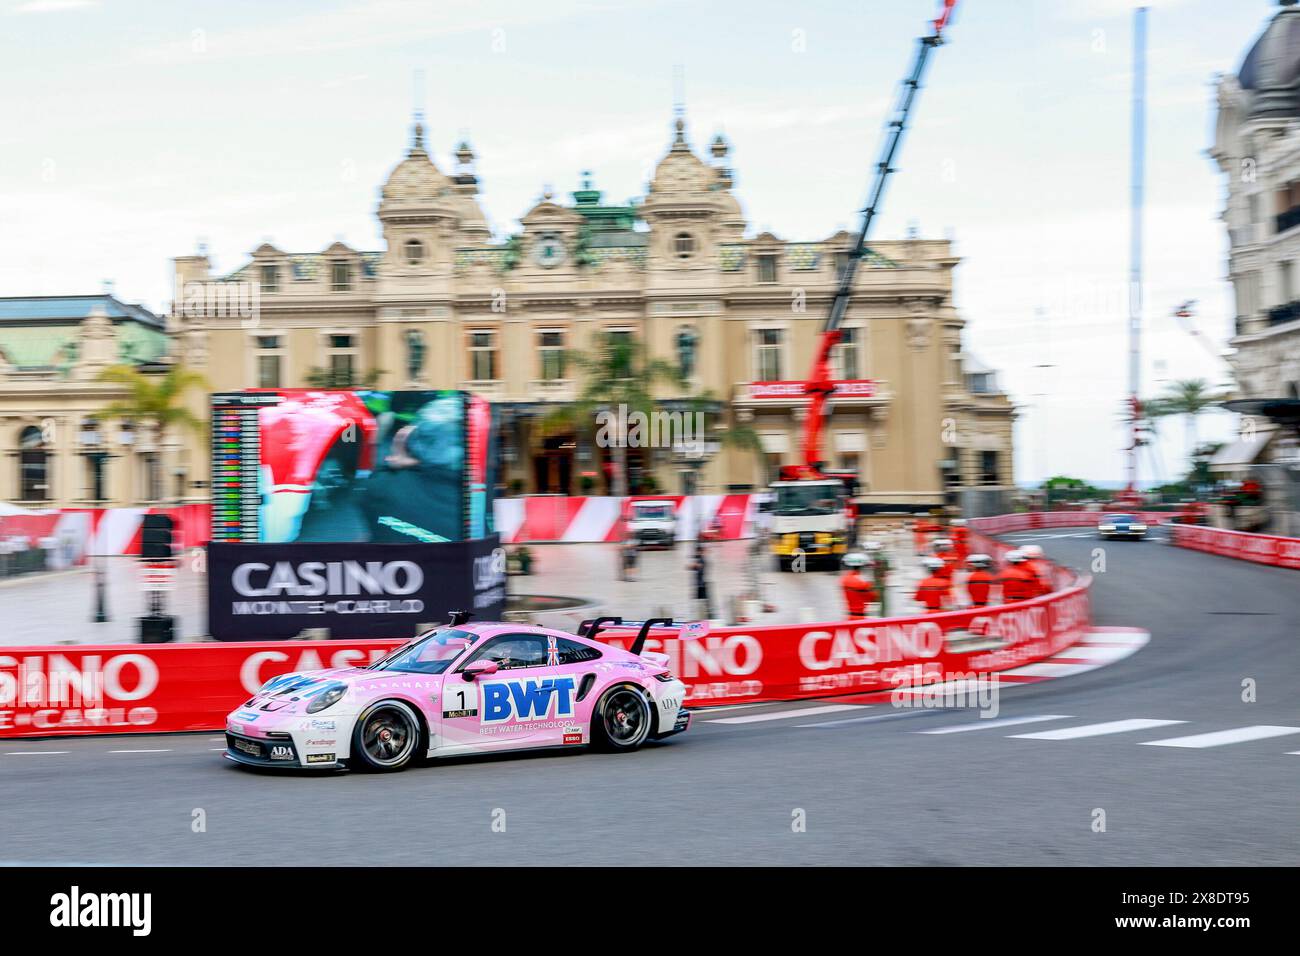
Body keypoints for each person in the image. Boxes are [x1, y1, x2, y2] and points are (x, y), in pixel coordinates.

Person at [840, 552, 878, 618]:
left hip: (849, 616)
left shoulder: (844, 579)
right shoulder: (863, 583)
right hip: (861, 617)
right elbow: (873, 597)